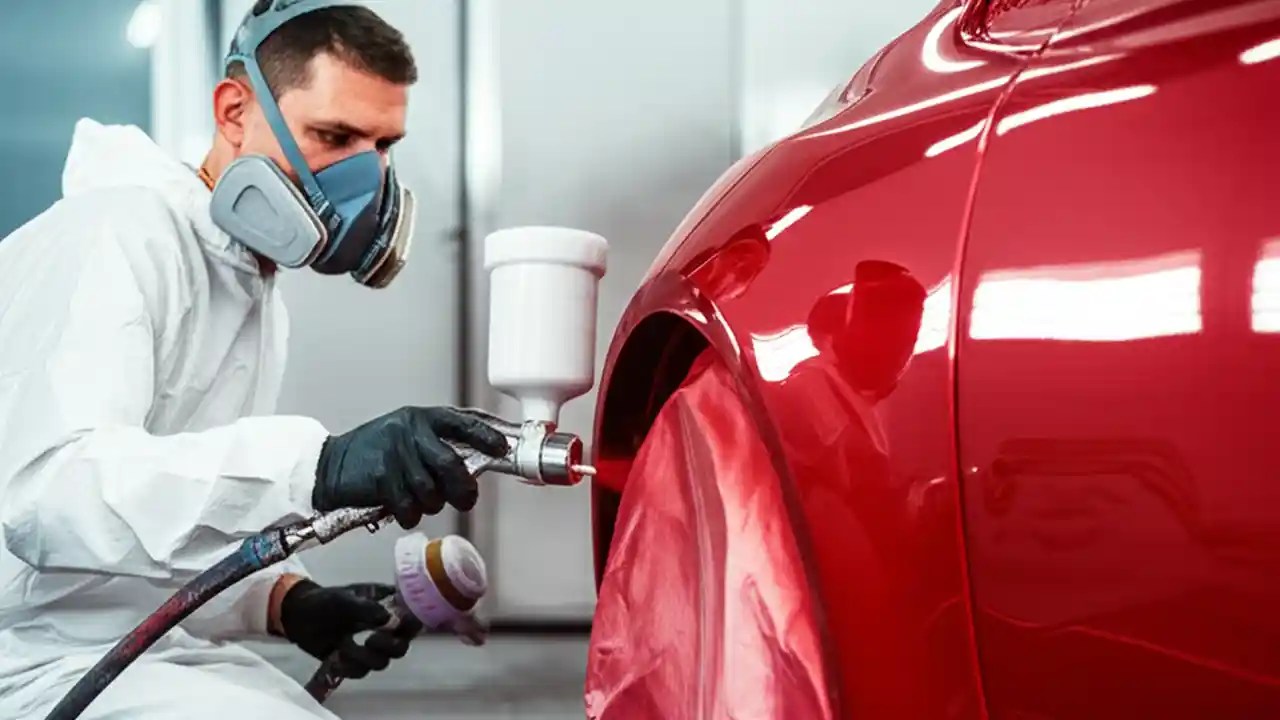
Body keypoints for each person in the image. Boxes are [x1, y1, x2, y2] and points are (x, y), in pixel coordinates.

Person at [0, 2, 507, 718]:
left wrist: (292, 604)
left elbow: (164, 522)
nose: (365, 180)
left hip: (138, 651)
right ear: (234, 113)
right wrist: (317, 466)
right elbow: (47, 497)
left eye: (381, 145)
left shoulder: (251, 291)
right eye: (333, 136)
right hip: (31, 663)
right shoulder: (114, 236)